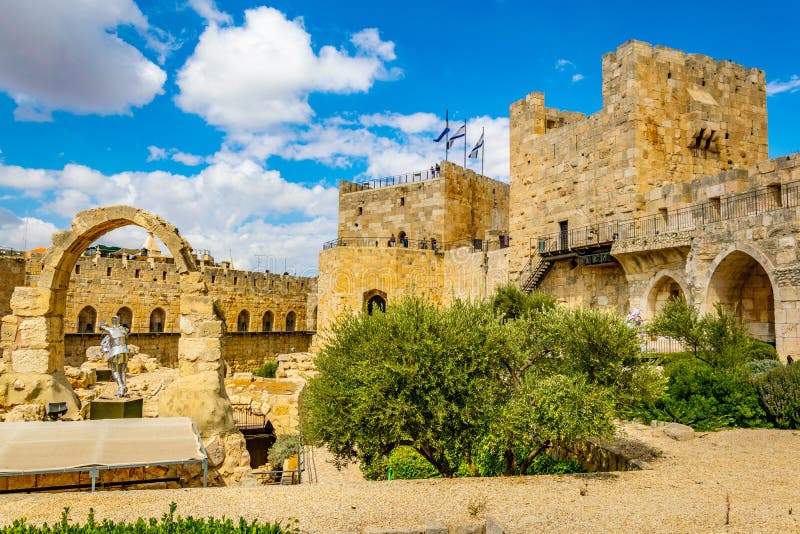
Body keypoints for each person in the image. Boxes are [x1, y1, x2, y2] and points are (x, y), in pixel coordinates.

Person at [100, 316, 131, 397]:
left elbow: (101, 327)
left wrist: (103, 322)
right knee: (123, 371)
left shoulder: (110, 329)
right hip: (125, 351)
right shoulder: (124, 329)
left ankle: (121, 387)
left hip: (116, 351)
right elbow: (127, 330)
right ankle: (124, 388)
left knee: (115, 370)